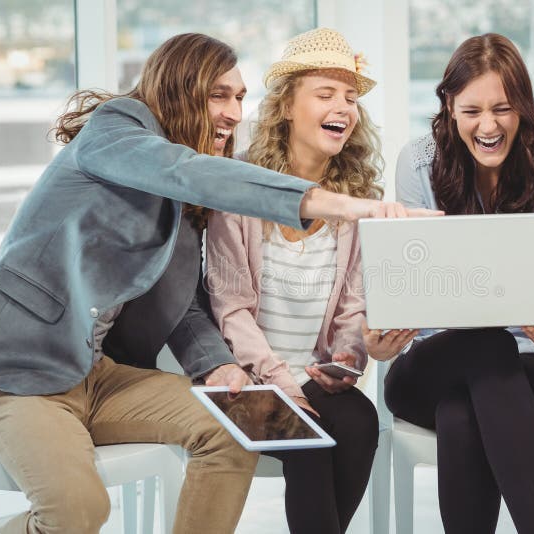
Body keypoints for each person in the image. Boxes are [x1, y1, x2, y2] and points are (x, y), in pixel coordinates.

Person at [0, 33, 408, 534]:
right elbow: (187, 172)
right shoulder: (115, 132)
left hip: (100, 377)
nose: (235, 113)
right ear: (177, 90)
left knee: (238, 429)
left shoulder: (181, 204)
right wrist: (341, 204)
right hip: (20, 378)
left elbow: (188, 304)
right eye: (219, 95)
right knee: (77, 514)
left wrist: (218, 366)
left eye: (239, 97)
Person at [205, 28, 427, 534]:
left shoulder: (353, 200)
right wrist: (284, 384)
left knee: (360, 421)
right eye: (325, 94)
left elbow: (353, 308)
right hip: (247, 382)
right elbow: (230, 309)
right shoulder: (239, 190)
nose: (343, 108)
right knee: (307, 440)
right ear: (286, 107)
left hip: (313, 378)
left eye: (350, 98)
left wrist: (349, 359)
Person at [380, 33, 534, 534]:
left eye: (503, 109)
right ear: (449, 106)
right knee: (485, 344)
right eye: (471, 110)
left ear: (523, 110)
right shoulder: (419, 161)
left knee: (461, 416)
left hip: (524, 370)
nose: (488, 126)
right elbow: (414, 286)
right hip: (429, 365)